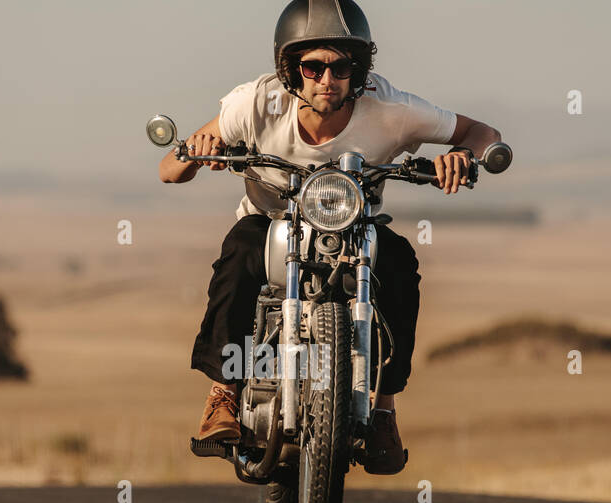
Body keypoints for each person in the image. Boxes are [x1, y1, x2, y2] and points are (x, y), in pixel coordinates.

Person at [158, 0, 502, 475]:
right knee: (238, 254)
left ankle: (383, 409)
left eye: (341, 66)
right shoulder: (255, 104)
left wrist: (461, 154)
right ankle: (223, 394)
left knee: (400, 264)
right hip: (270, 222)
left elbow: (483, 132)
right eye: (313, 66)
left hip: (354, 228)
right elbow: (169, 170)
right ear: (290, 69)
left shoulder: (392, 109)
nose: (327, 78)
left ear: (358, 70)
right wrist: (199, 151)